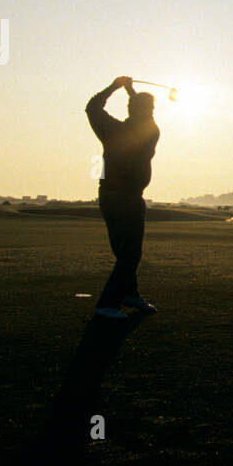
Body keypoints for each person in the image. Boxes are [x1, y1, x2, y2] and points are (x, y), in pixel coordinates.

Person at [86, 76, 160, 320]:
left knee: (127, 252)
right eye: (150, 108)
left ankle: (129, 294)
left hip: (118, 196)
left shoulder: (114, 130)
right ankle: (107, 304)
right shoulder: (149, 130)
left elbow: (93, 107)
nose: (152, 112)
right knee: (129, 253)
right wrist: (126, 89)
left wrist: (117, 87)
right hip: (121, 197)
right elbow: (140, 112)